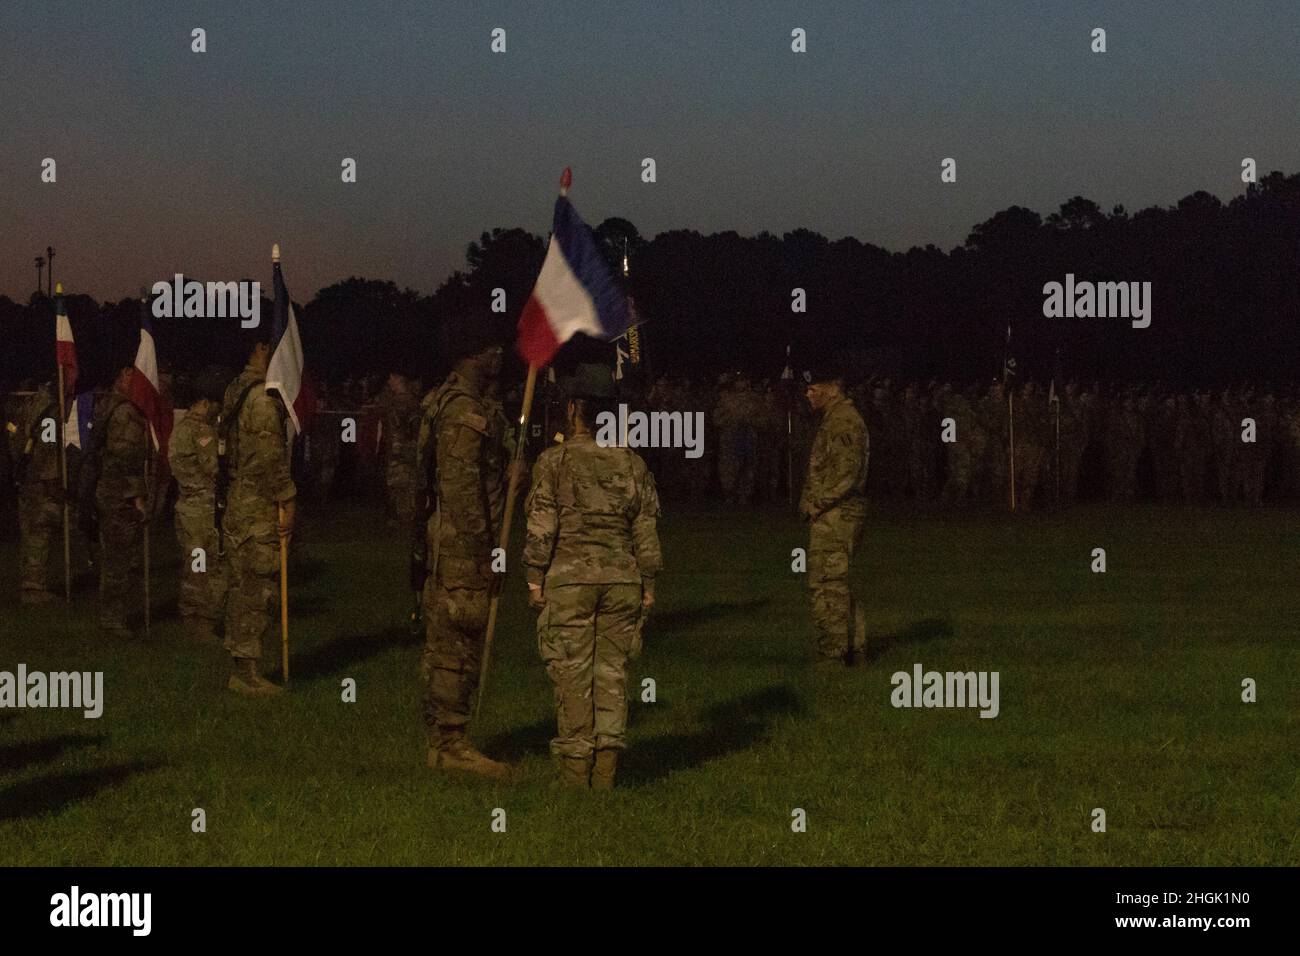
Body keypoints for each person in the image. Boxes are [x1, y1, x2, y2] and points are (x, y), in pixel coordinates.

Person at [524, 363, 661, 789]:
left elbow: (542, 525)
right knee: (612, 673)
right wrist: (649, 584)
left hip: (569, 581)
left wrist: (534, 577)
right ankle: (606, 773)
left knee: (572, 674)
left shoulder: (554, 461)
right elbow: (646, 528)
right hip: (622, 580)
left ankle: (575, 772)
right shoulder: (631, 463)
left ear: (571, 411)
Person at [415, 318, 514, 778]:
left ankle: (447, 740)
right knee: (456, 641)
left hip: (457, 542)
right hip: (463, 546)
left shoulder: (464, 403)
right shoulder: (462, 412)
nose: (500, 356)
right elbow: (462, 490)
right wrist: (486, 553)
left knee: (454, 640)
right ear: (472, 355)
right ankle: (451, 744)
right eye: (491, 349)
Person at [221, 333, 295, 696]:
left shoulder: (235, 390)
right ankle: (246, 673)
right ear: (260, 349)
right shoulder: (261, 400)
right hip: (258, 505)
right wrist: (288, 497)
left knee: (241, 586)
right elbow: (271, 456)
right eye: (270, 347)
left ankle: (241, 664)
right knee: (257, 589)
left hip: (238, 500)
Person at [799, 358, 870, 665]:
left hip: (836, 514)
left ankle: (832, 653)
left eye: (813, 388)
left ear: (831, 389)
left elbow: (846, 474)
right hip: (836, 512)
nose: (808, 394)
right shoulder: (836, 418)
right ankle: (856, 647)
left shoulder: (843, 421)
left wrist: (817, 503)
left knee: (827, 584)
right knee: (837, 581)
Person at [170, 366, 230, 643]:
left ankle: (191, 617)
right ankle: (201, 622)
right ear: (206, 403)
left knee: (193, 564)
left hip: (186, 505)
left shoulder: (181, 428)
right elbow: (213, 469)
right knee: (205, 567)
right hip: (203, 508)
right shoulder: (203, 432)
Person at [95, 365, 149, 636]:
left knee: (115, 557)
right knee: (118, 559)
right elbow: (125, 457)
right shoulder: (125, 411)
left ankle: (112, 615)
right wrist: (137, 495)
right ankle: (112, 618)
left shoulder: (108, 404)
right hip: (120, 494)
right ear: (124, 374)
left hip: (110, 490)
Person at [12, 381, 62, 603]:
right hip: (40, 481)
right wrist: (52, 480)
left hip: (25, 476)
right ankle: (34, 588)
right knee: (40, 531)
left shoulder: (28, 404)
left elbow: (15, 437)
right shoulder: (49, 411)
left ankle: (28, 583)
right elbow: (47, 447)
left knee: (28, 531)